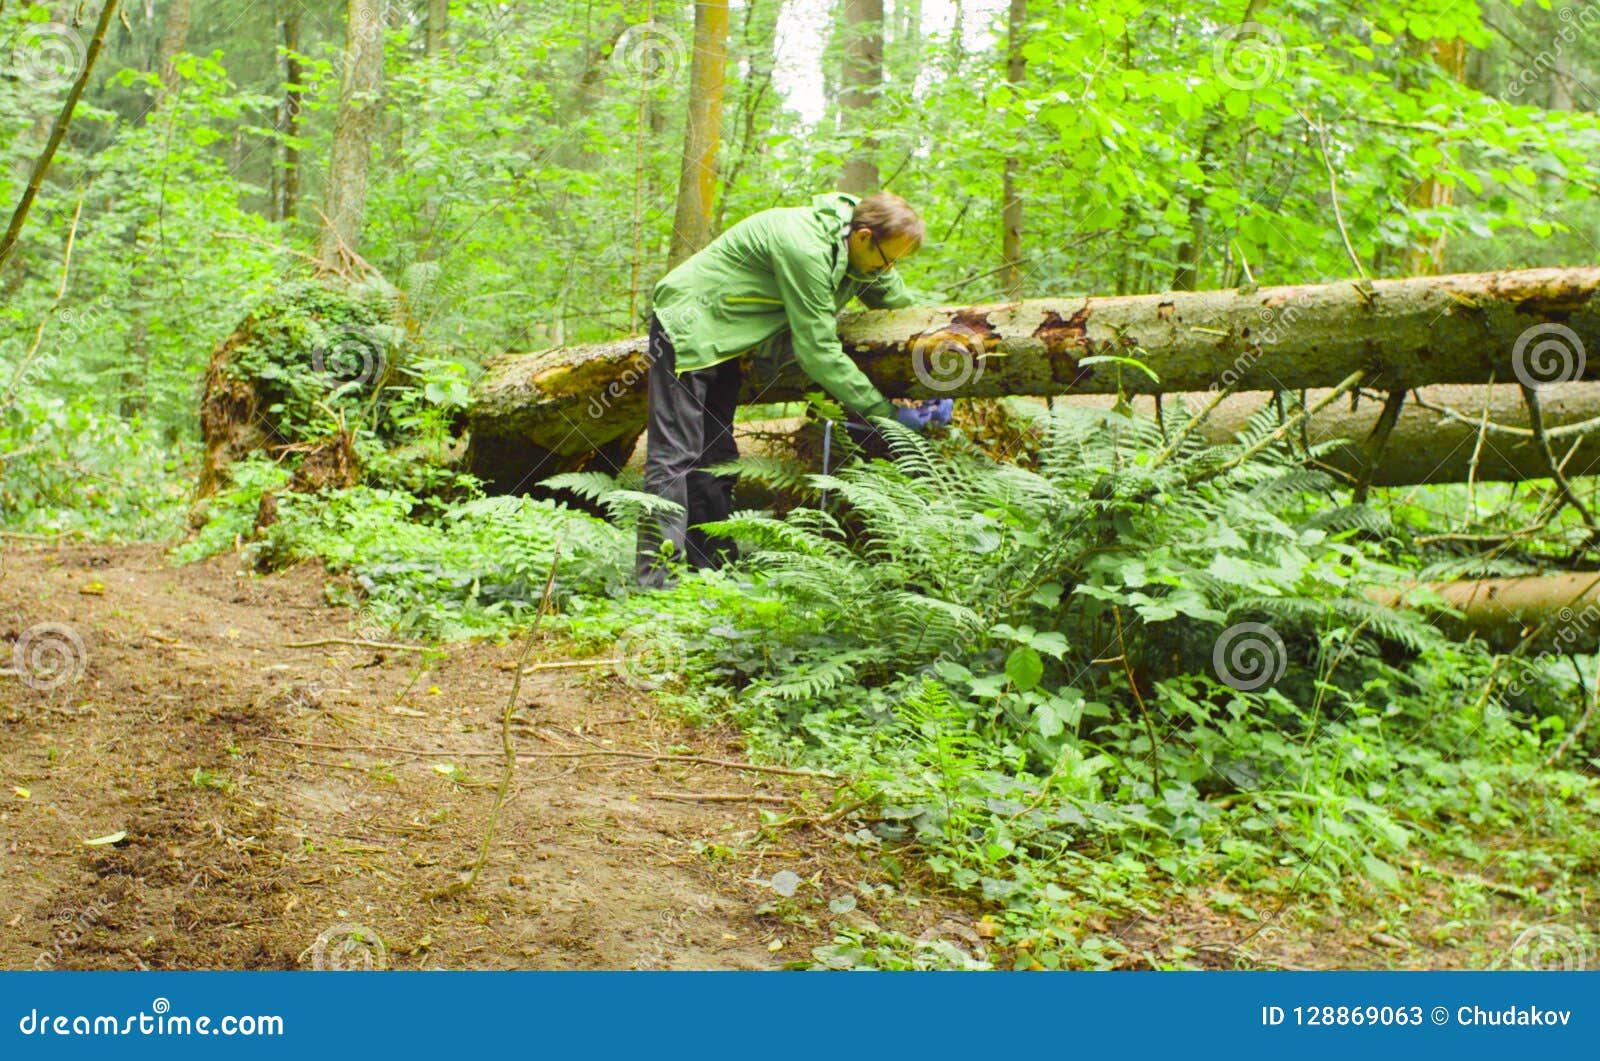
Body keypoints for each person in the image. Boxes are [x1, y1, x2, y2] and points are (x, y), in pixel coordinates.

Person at [635, 189, 949, 589]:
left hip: (729, 335)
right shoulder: (806, 247)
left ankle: (713, 569)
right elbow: (817, 350)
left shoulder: (861, 248)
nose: (888, 270)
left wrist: (934, 368)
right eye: (887, 260)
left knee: (716, 454)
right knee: (675, 455)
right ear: (863, 237)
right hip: (688, 322)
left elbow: (899, 305)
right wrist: (885, 415)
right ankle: (655, 582)